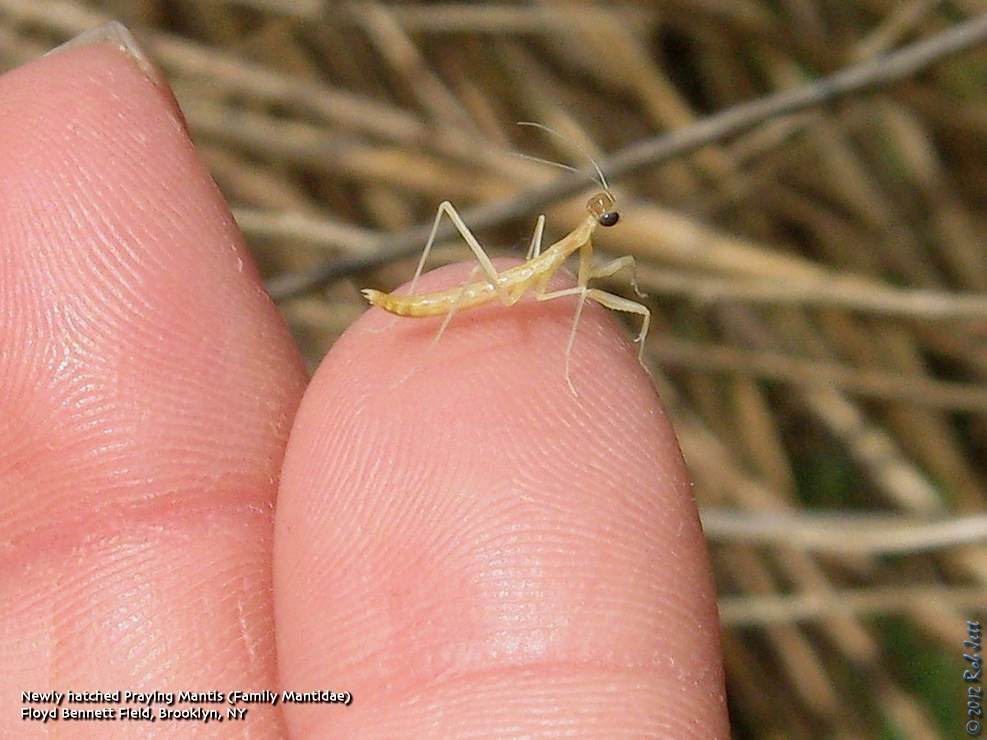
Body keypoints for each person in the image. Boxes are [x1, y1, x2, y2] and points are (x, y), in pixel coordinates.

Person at [0, 25, 729, 737]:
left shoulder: (572, 259)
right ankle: (423, 342)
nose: (607, 219)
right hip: (444, 306)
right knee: (531, 283)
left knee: (606, 295)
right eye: (604, 212)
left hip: (487, 304)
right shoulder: (557, 263)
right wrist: (570, 358)